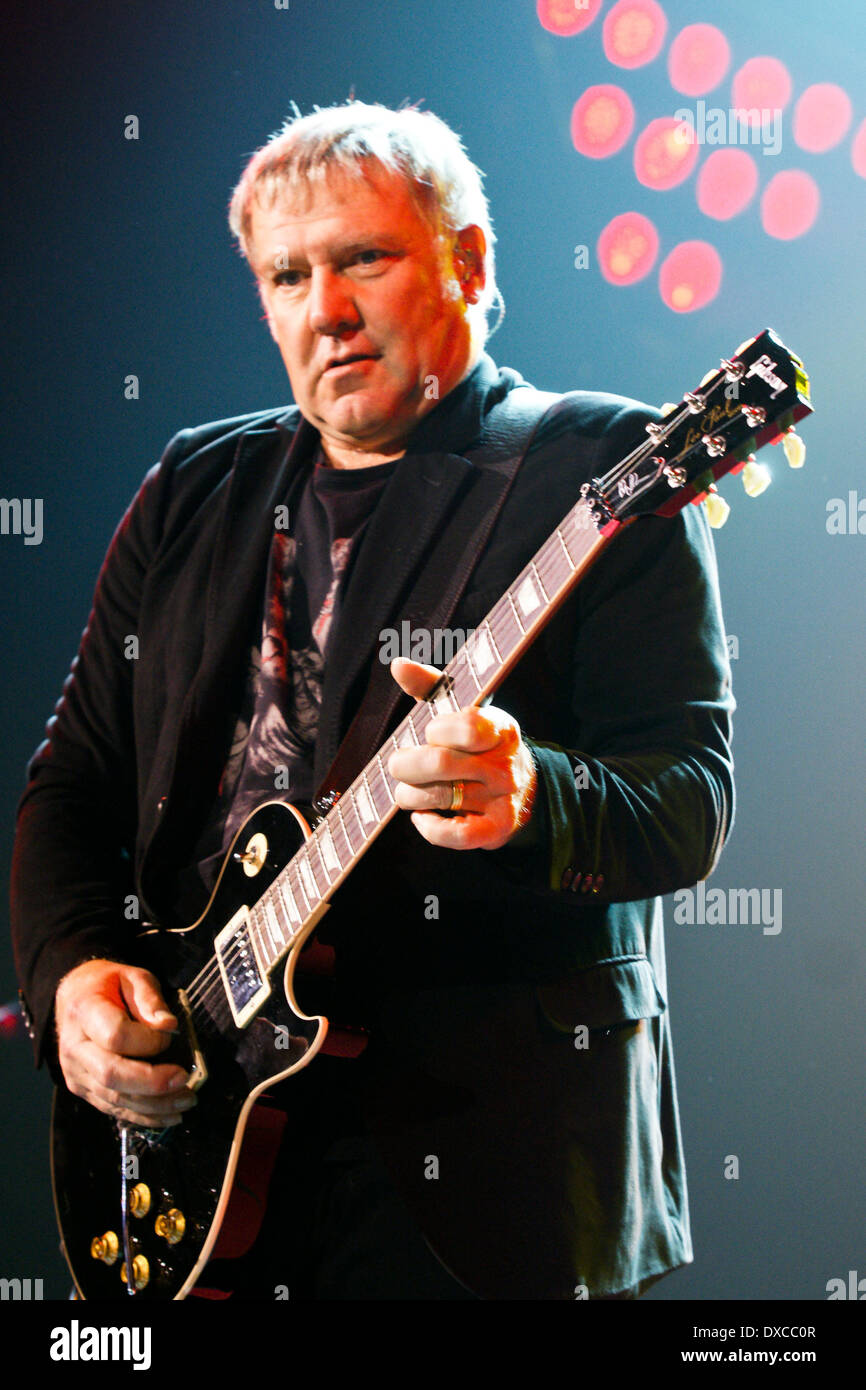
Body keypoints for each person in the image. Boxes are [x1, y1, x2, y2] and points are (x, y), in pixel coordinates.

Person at [11, 101, 735, 1300]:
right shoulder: (195, 486)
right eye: (286, 274)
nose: (323, 308)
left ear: (468, 262)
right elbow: (72, 779)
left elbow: (688, 797)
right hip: (207, 1150)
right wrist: (70, 979)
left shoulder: (596, 473)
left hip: (486, 1176)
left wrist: (532, 794)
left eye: (363, 258)